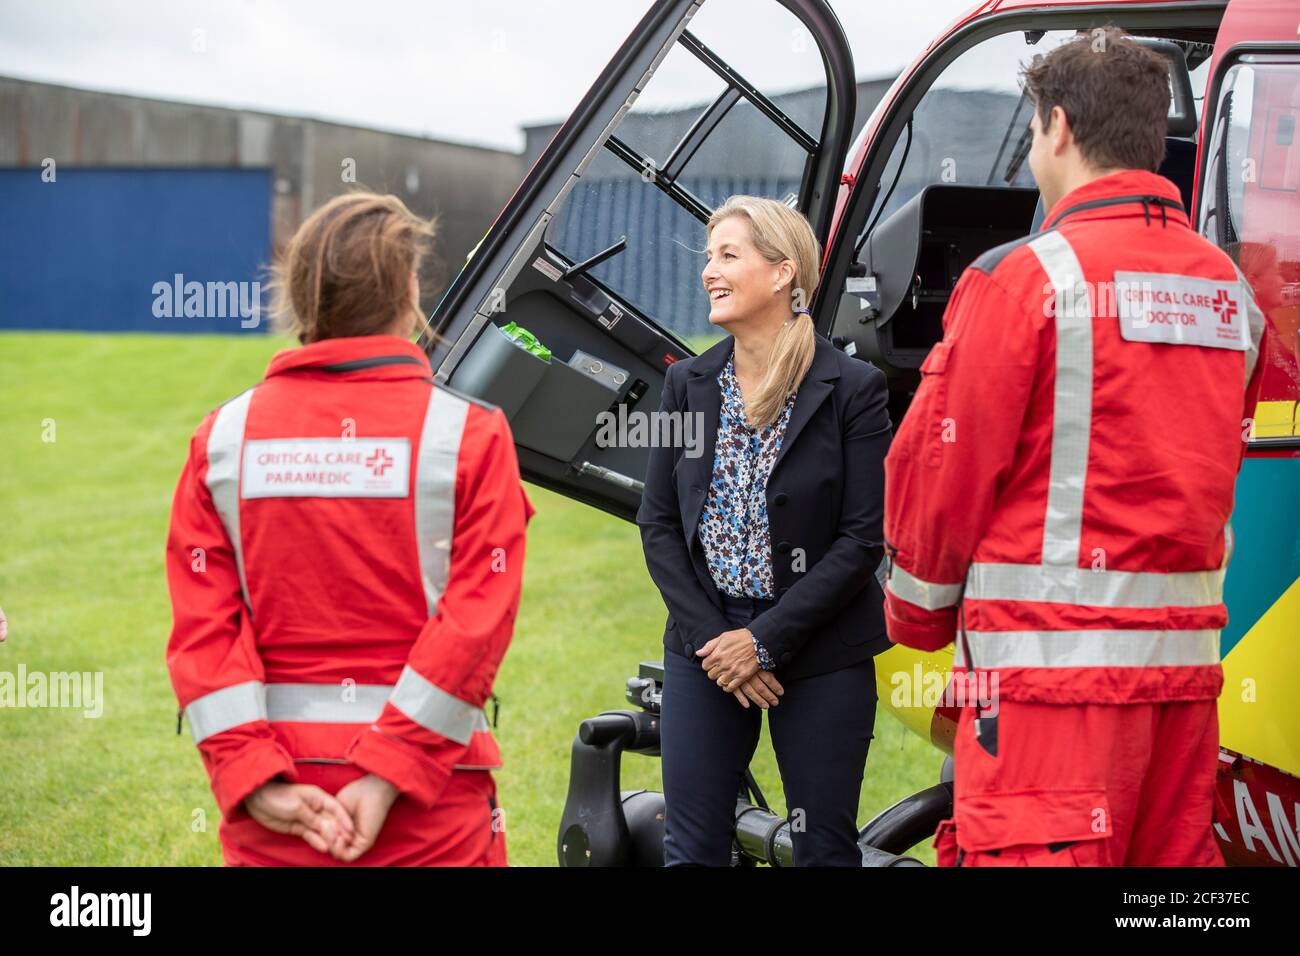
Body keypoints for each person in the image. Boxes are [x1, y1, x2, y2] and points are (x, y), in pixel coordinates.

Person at [883, 28, 1264, 866]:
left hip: (1044, 687)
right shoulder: (1232, 291)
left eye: (1031, 133)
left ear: (1056, 127)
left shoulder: (1023, 279)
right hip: (1185, 685)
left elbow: (941, 469)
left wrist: (913, 616)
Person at [165, 191, 534, 866]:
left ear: (301, 295)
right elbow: (477, 621)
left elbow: (204, 628)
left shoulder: (222, 439)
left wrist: (253, 779)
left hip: (277, 806)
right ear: (409, 290)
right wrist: (393, 767)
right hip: (432, 800)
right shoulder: (470, 437)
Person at [637, 195, 893, 866]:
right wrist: (721, 643)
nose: (709, 272)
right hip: (706, 645)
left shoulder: (854, 390)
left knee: (823, 852)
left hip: (820, 650)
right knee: (691, 851)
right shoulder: (684, 386)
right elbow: (658, 523)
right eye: (708, 257)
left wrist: (765, 641)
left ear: (783, 273)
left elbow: (862, 541)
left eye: (728, 255)